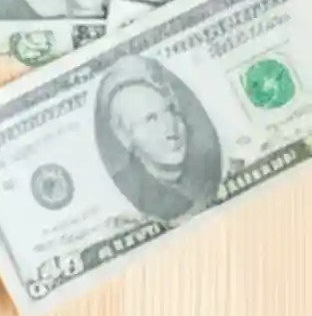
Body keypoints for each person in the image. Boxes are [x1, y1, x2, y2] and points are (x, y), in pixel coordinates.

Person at [93, 55, 222, 222]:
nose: (170, 128)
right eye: (151, 119)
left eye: (171, 111)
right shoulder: (137, 193)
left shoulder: (207, 165)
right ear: (125, 137)